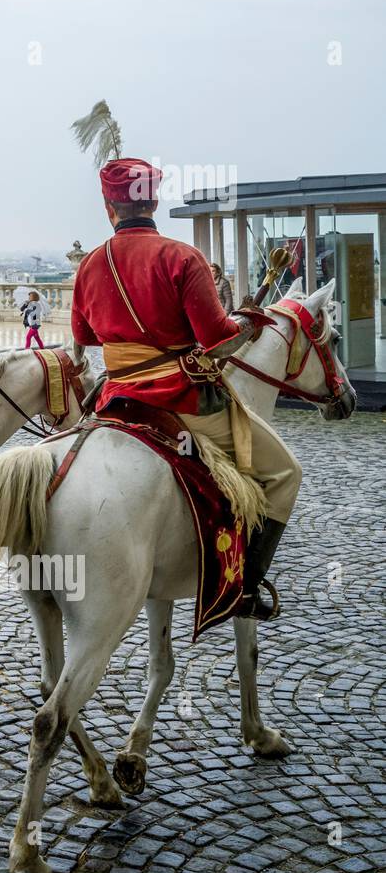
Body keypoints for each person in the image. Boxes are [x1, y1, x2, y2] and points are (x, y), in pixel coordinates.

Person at [71, 157, 300, 620]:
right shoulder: (181, 257)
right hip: (180, 397)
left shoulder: (90, 264)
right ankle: (245, 589)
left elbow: (87, 335)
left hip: (117, 398)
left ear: (107, 205)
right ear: (153, 199)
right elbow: (217, 337)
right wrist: (248, 322)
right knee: (284, 475)